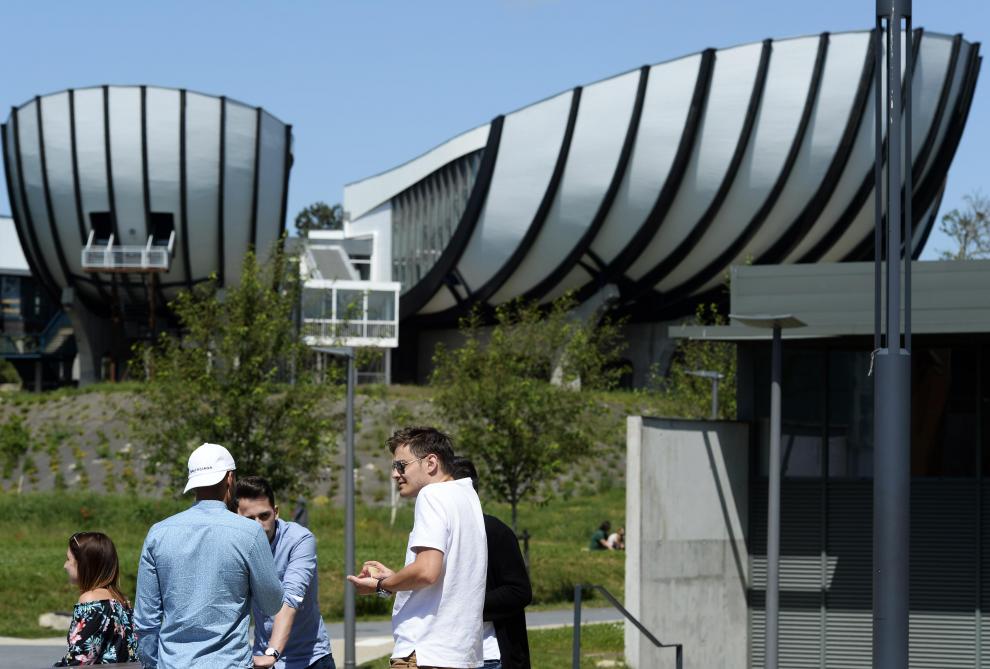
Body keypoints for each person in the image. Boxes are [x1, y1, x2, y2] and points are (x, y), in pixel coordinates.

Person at [347, 427, 487, 669]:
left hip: (424, 651)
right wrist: (396, 578)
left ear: (431, 462)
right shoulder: (467, 497)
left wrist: (381, 585)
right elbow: (445, 574)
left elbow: (426, 572)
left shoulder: (431, 495)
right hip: (461, 653)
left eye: (401, 465)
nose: (394, 474)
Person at [134, 443, 284, 669]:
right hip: (228, 662)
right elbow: (272, 603)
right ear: (230, 478)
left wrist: (156, 662)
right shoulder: (250, 533)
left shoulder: (158, 533)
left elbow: (146, 620)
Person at [235, 476, 335, 669]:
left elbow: (291, 599)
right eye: (249, 519)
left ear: (276, 512)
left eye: (264, 516)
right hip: (262, 656)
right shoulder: (236, 546)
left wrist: (273, 653)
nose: (258, 525)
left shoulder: (299, 540)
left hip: (310, 658)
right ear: (236, 518)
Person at [451, 457, 532, 669]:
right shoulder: (439, 531)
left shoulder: (494, 531)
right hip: (446, 656)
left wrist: (464, 607)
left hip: (488, 657)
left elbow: (518, 591)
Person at [55, 532, 137, 666]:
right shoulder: (121, 600)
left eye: (68, 559)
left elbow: (80, 659)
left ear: (84, 564)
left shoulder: (92, 600)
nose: (65, 565)